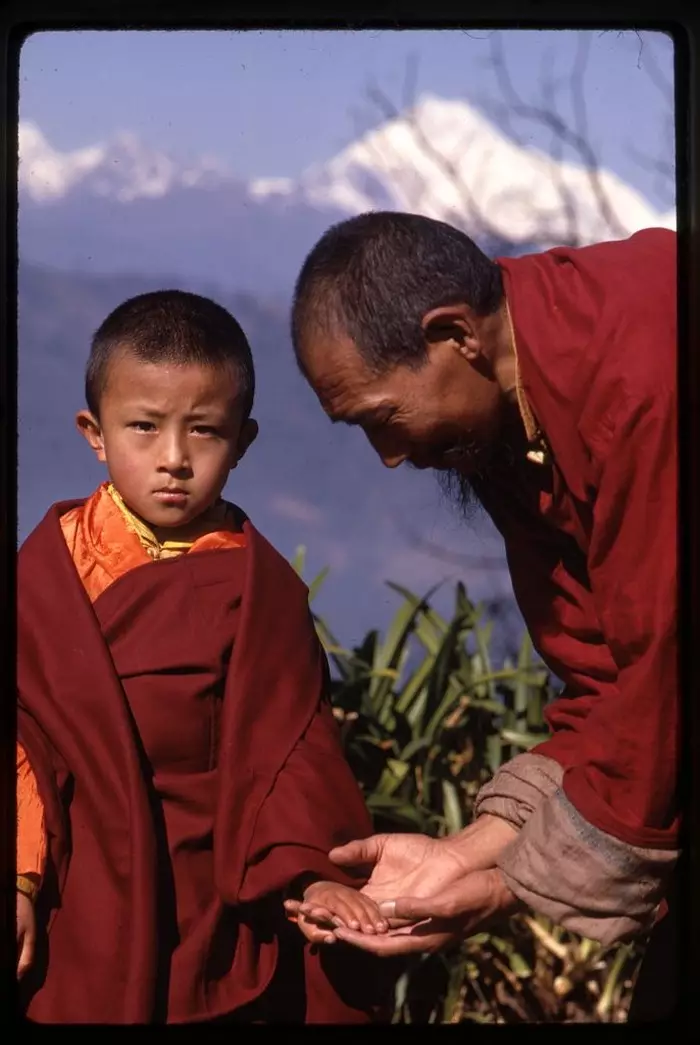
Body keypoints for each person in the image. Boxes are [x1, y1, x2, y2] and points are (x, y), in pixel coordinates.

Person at [284, 212, 678, 1020]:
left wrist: (499, 885)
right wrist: (467, 850)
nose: (390, 457)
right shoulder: (507, 415)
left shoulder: (644, 371)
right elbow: (609, 678)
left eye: (381, 418)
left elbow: (668, 668)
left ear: (454, 334)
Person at [16, 289, 393, 1024]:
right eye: (144, 428)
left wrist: (314, 873)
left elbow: (290, 750)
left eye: (205, 432)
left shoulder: (260, 589)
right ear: (94, 432)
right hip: (72, 898)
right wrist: (20, 881)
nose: (174, 460)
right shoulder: (46, 573)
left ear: (244, 441)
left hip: (207, 901)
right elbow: (21, 741)